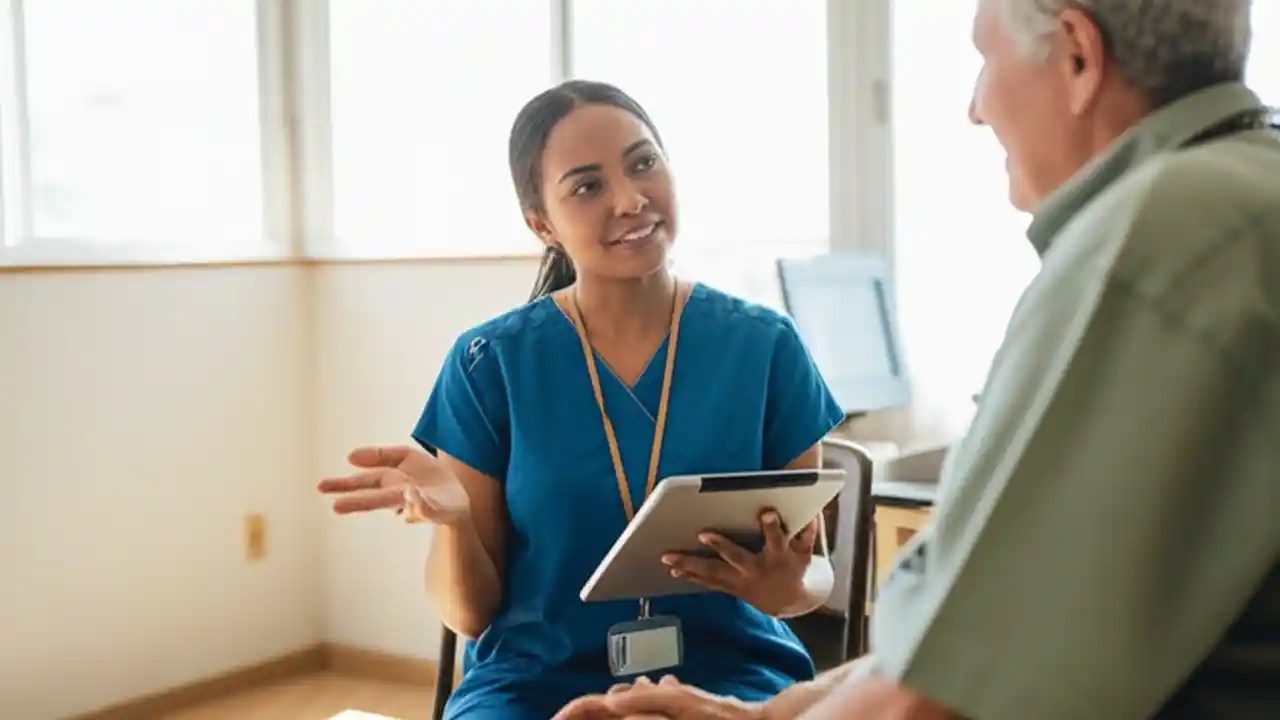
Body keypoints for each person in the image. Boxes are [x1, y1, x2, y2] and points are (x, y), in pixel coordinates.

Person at [555, 0, 1280, 718]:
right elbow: (966, 632)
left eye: (984, 60)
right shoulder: (1234, 196)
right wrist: (764, 716)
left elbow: (942, 693)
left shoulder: (1156, 239)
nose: (975, 107)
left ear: (1077, 56)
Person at [316, 80, 847, 719]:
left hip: (731, 676)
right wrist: (455, 523)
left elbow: (812, 576)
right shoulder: (493, 363)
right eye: (588, 186)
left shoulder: (765, 347)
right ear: (542, 222)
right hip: (534, 685)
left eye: (643, 163)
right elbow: (471, 614)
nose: (631, 198)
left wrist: (786, 586)